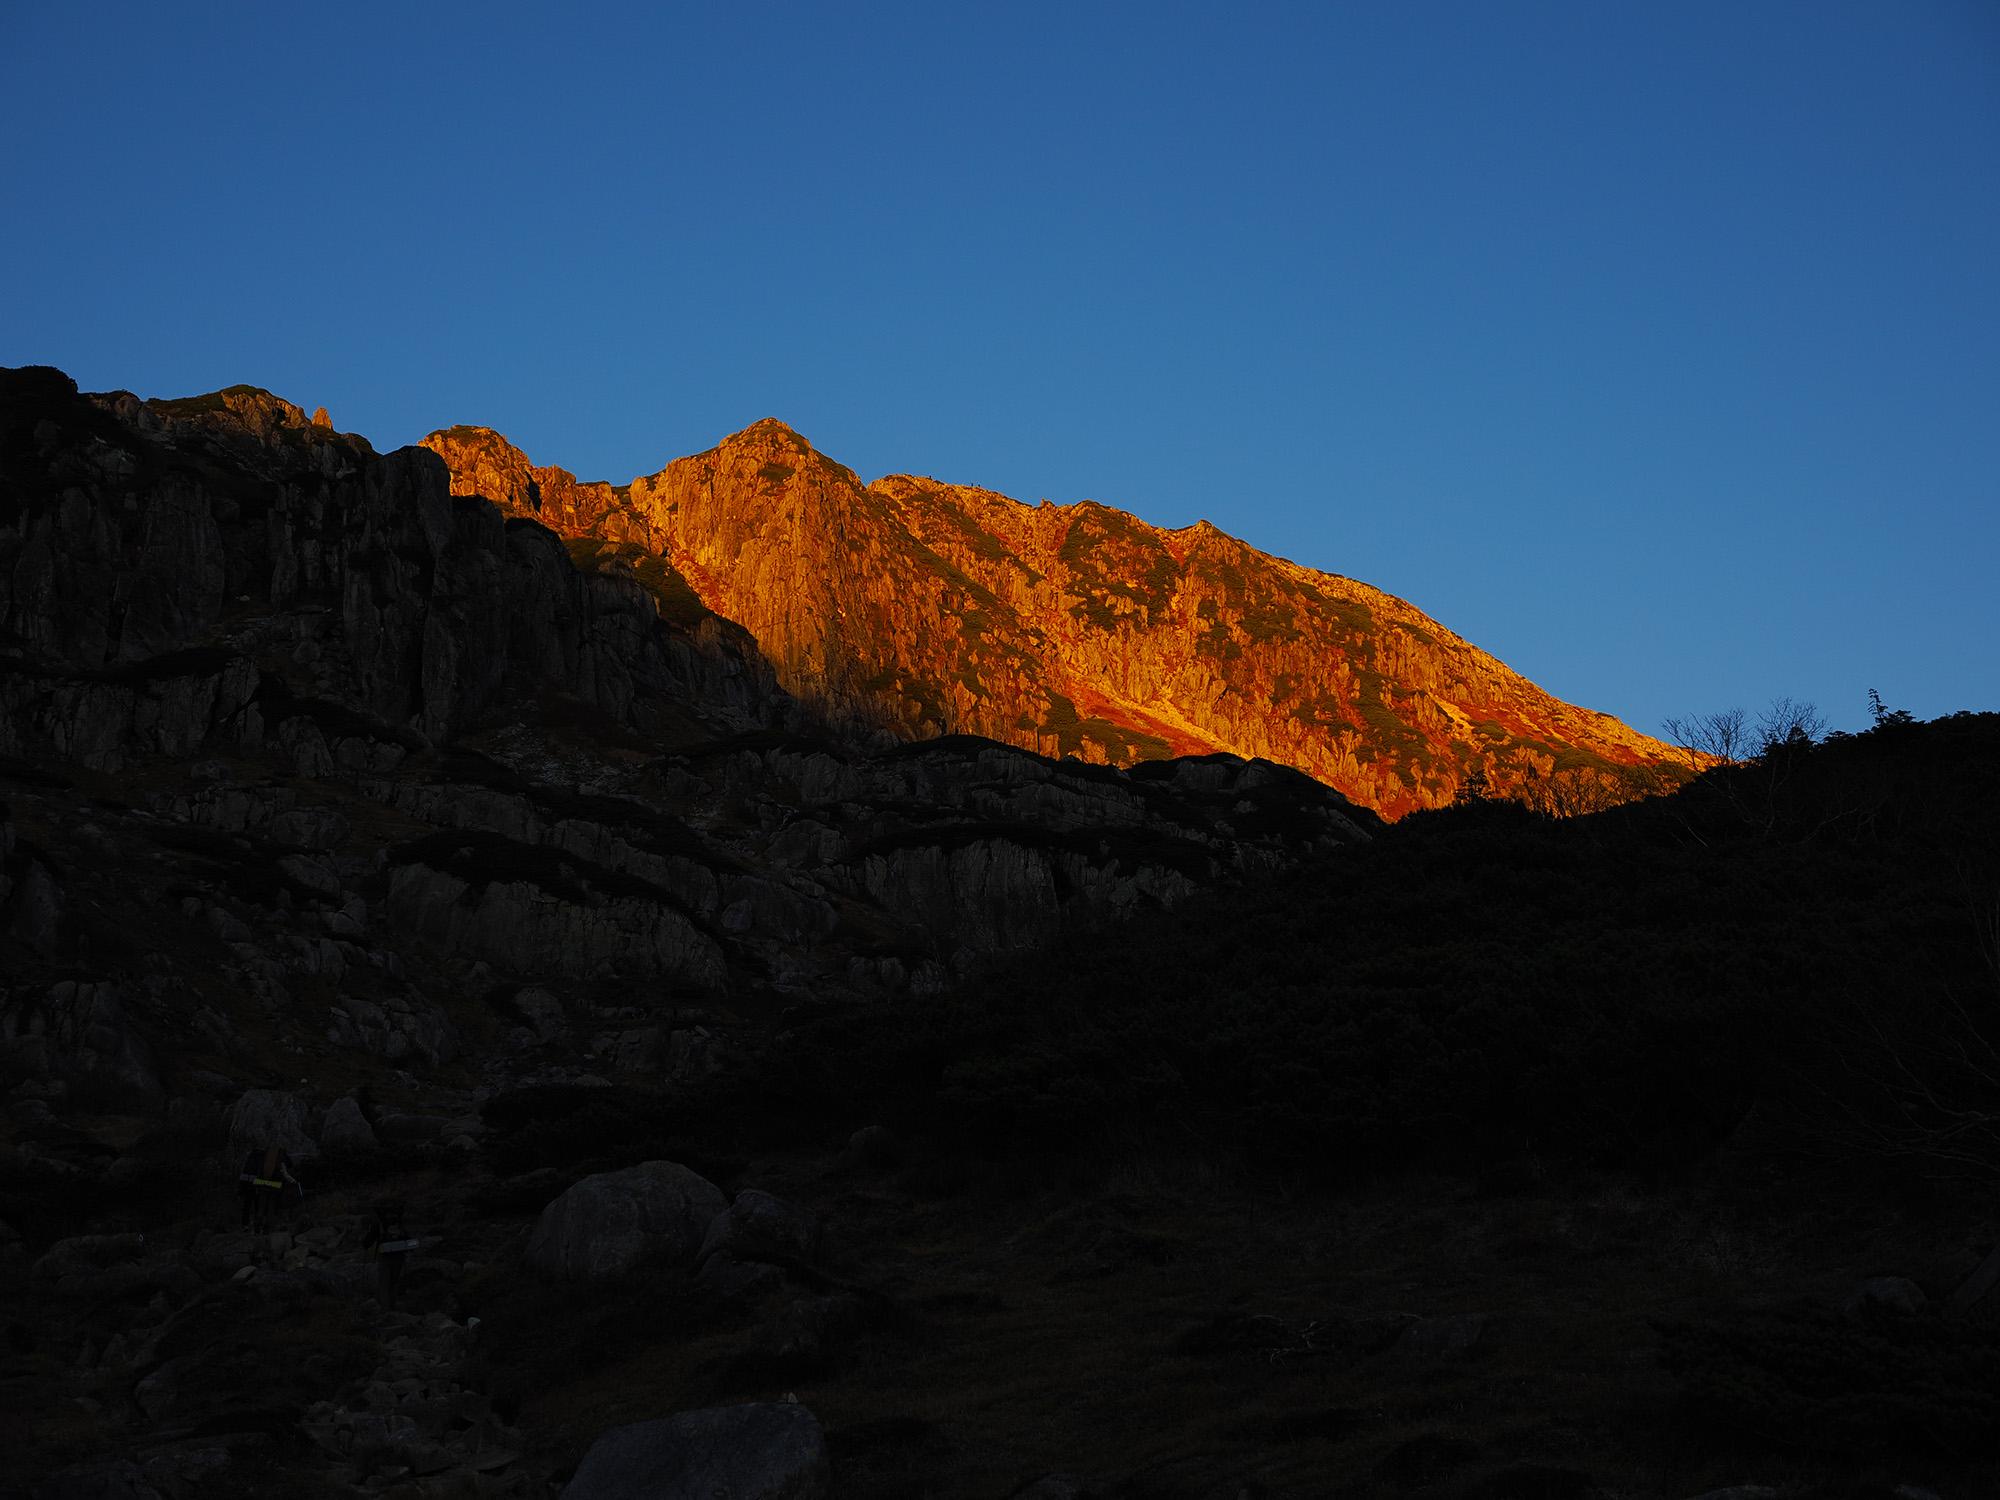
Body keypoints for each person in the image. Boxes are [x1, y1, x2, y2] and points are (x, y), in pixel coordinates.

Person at [362, 1202, 417, 1310]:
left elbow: (367, 1242)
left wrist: (365, 1244)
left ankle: (385, 1309)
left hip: (385, 1257)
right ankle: (393, 1305)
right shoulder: (399, 1224)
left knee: (384, 1283)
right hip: (399, 1257)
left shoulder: (379, 1224)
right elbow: (410, 1241)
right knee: (394, 1282)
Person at [238, 1145, 300, 1232]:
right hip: (274, 1186)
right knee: (270, 1208)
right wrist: (294, 1181)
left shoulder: (261, 1158)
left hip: (262, 1185)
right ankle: (266, 1228)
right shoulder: (280, 1159)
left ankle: (256, 1227)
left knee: (260, 1207)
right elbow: (285, 1174)